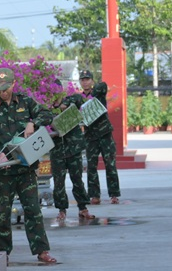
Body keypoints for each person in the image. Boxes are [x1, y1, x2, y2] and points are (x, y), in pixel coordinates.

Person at [0, 67, 57, 264]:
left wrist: (33, 123)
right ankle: (2, 253)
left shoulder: (26, 102)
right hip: (2, 170)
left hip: (25, 168)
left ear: (13, 84)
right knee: (2, 213)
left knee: (33, 210)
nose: (2, 92)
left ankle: (42, 251)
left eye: (6, 88)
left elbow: (47, 114)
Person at [51, 79, 95, 222]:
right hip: (57, 150)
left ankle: (83, 208)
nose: (55, 93)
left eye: (57, 90)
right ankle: (61, 210)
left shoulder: (70, 100)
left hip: (73, 148)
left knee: (77, 180)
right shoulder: (47, 108)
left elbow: (79, 98)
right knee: (59, 182)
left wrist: (66, 103)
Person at [79, 69, 121, 204]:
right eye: (83, 80)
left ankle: (114, 194)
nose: (85, 82)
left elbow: (103, 85)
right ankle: (94, 195)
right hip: (90, 136)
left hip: (105, 134)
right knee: (91, 166)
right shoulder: (78, 99)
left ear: (92, 81)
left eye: (87, 79)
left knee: (110, 164)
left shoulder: (98, 94)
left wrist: (92, 94)